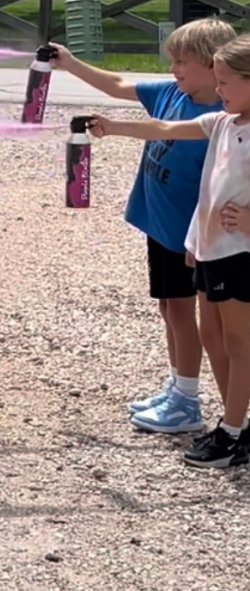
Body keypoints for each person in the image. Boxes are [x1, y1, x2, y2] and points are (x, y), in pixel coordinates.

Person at [49, 17, 236, 434]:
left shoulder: (220, 118)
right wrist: (70, 62)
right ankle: (177, 386)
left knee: (185, 313)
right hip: (159, 222)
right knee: (169, 308)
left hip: (187, 236)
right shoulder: (172, 92)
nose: (173, 69)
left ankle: (187, 402)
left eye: (181, 61)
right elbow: (117, 85)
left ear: (211, 64)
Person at [88, 32, 250, 468]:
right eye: (216, 83)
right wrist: (113, 127)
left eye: (225, 84)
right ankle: (235, 422)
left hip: (241, 254)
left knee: (239, 343)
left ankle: (234, 432)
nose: (218, 93)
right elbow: (161, 128)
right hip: (211, 250)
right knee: (215, 336)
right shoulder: (221, 122)